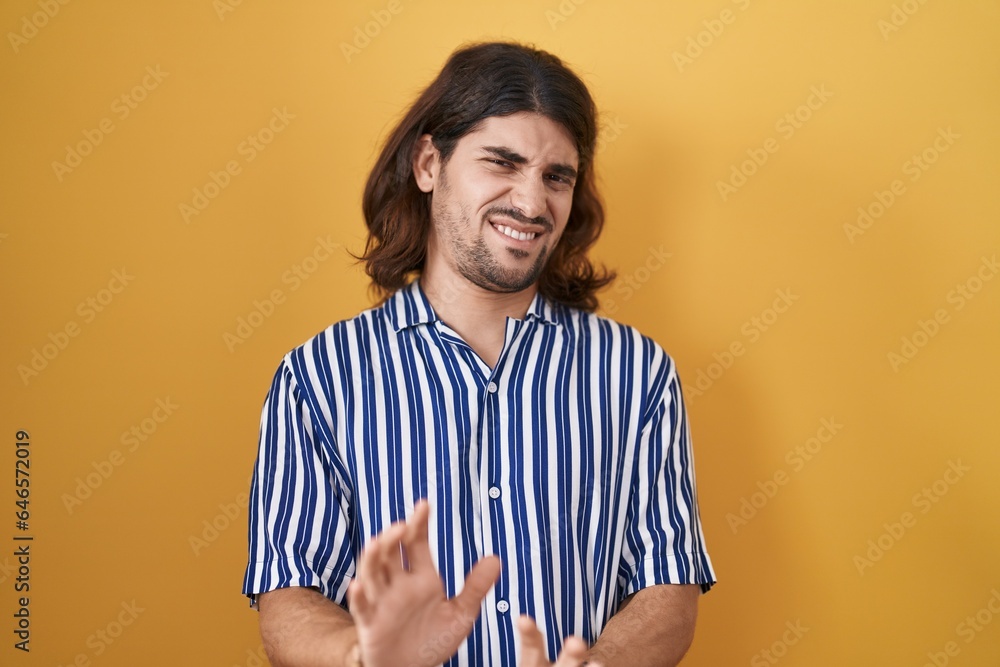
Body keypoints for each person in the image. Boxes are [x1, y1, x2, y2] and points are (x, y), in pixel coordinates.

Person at [242, 40, 716, 667]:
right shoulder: (319, 376)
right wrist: (363, 656)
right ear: (428, 163)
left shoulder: (637, 373)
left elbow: (669, 585)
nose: (530, 202)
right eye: (502, 162)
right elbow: (287, 595)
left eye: (557, 177)